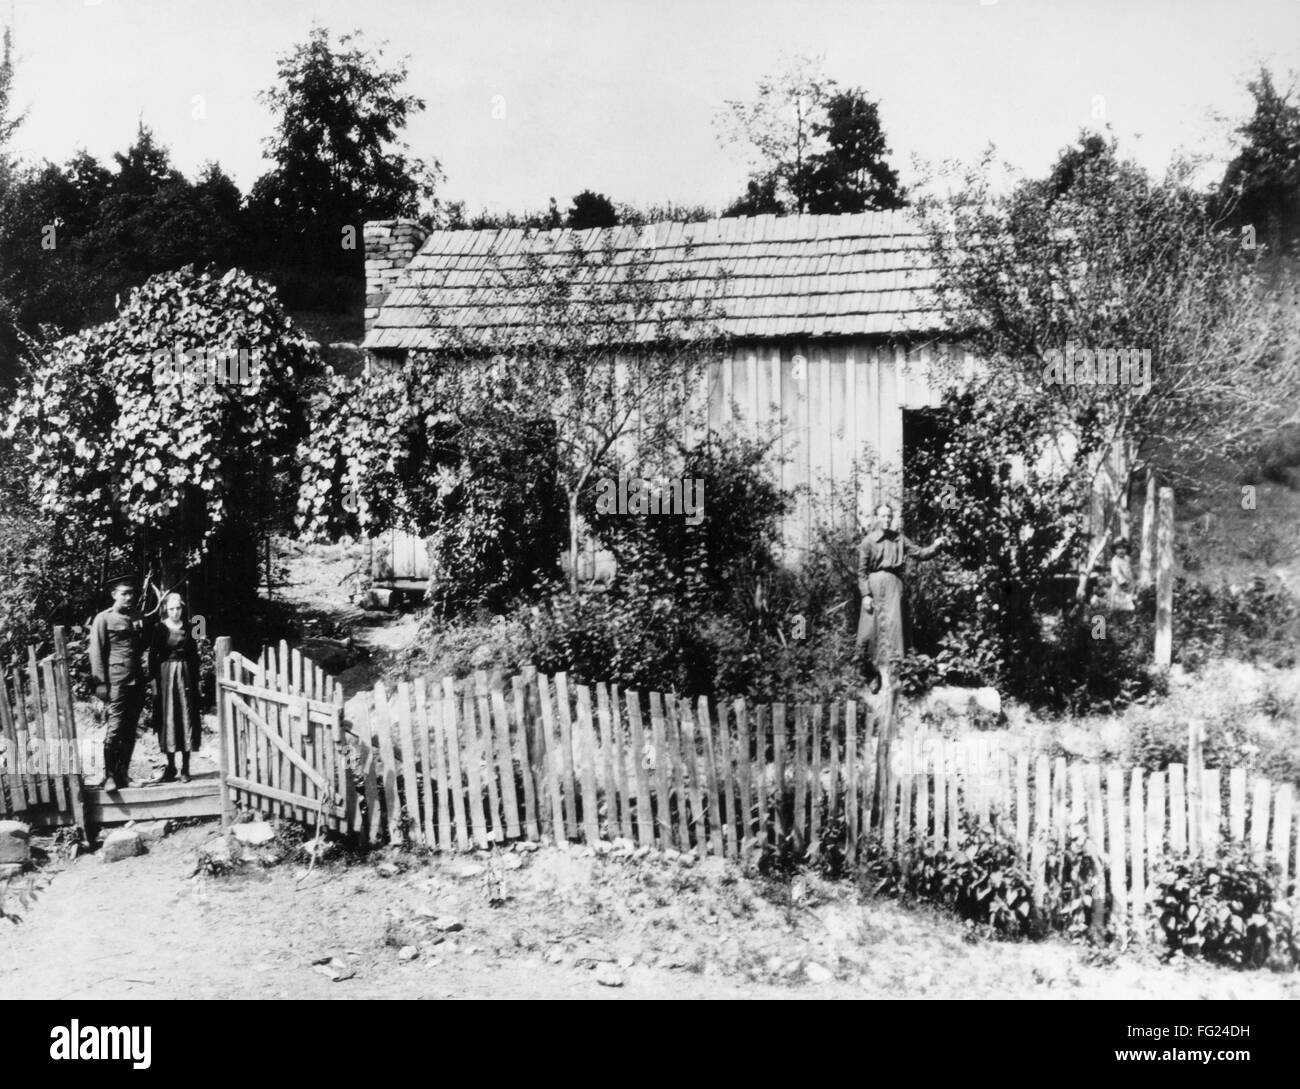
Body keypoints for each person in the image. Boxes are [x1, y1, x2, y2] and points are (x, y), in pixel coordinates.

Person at [855, 503, 946, 692]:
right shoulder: (868, 542)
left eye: (889, 516)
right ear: (876, 518)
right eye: (883, 516)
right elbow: (861, 572)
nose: (886, 519)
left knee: (896, 630)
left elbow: (920, 553)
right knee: (869, 632)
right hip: (874, 588)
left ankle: (899, 675)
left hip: (894, 589)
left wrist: (936, 546)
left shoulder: (899, 539)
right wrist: (865, 595)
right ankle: (872, 675)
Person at [88, 574, 148, 791]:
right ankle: (110, 776)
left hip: (136, 681)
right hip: (116, 682)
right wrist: (100, 683)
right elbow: (96, 652)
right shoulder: (103, 619)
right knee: (115, 729)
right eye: (124, 593)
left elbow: (141, 647)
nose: (129, 597)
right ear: (114, 595)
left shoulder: (137, 616)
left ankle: (124, 774)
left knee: (130, 729)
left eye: (131, 593)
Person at [148, 593, 202, 783]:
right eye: (171, 609)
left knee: (186, 717)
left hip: (186, 677)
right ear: (165, 609)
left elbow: (195, 655)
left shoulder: (191, 626)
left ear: (182, 608)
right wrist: (153, 682)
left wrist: (196, 680)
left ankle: (185, 767)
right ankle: (171, 767)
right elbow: (152, 656)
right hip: (166, 676)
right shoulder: (159, 628)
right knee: (169, 717)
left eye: (178, 608)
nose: (175, 612)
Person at [1108, 539, 1137, 612]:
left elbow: (1129, 570)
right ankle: (1117, 615)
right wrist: (1123, 583)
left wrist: (1132, 581)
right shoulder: (1115, 560)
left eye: (1124, 548)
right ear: (1115, 550)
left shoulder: (1127, 558)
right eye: (1119, 548)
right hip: (1119, 586)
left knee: (1129, 602)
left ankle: (1127, 614)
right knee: (1118, 605)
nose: (1121, 551)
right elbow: (1116, 573)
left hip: (1128, 585)